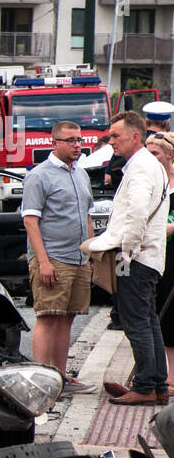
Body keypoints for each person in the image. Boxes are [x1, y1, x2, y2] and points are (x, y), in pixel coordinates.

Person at [88, 111, 170, 406]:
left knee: (135, 321)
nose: (110, 142)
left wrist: (125, 254)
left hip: (134, 258)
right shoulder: (146, 164)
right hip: (145, 257)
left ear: (135, 136)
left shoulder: (140, 167)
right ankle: (157, 384)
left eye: (115, 136)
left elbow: (136, 214)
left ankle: (146, 385)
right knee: (147, 320)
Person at [20, 121, 94, 393]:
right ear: (54, 143)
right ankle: (41, 382)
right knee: (48, 316)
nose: (77, 144)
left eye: (79, 139)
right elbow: (30, 221)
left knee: (68, 317)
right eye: (71, 140)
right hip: (53, 257)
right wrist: (43, 261)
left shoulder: (80, 174)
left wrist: (90, 252)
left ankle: (60, 378)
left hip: (78, 258)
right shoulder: (39, 175)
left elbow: (86, 214)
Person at [148, 132, 174, 394]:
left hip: (172, 251)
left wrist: (169, 227)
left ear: (170, 155)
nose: (150, 158)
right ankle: (160, 374)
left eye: (155, 153)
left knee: (171, 314)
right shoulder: (151, 182)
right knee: (155, 314)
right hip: (154, 254)